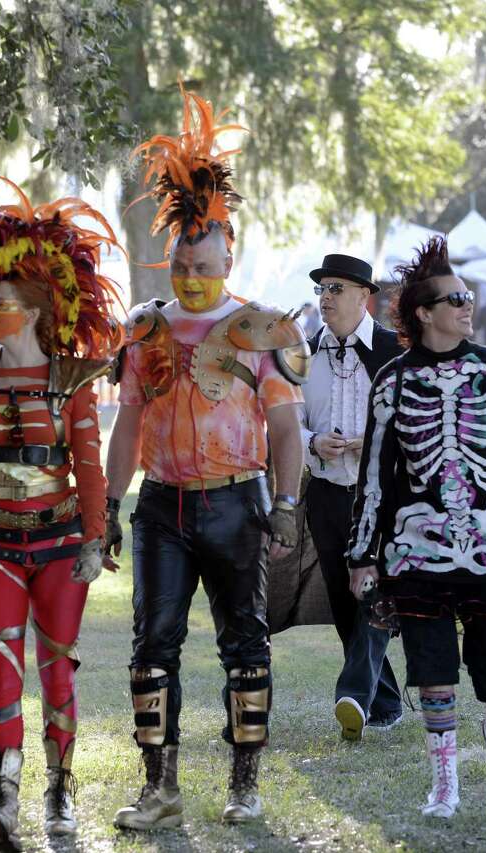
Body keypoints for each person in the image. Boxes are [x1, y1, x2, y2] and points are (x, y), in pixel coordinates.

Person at [104, 85, 308, 829]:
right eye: (180, 262)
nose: (190, 274)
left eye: (203, 260)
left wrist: (287, 504)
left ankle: (244, 784)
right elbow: (127, 424)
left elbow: (286, 429)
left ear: (230, 253)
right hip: (162, 505)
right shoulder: (144, 329)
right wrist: (108, 505)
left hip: (236, 503)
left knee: (245, 643)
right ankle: (159, 788)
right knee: (151, 647)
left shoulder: (263, 328)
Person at [0, 178, 125, 851]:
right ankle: (3, 796)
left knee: (57, 669)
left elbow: (90, 470)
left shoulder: (71, 381)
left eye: (2, 304)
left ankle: (60, 792)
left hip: (61, 547)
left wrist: (94, 539)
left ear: (35, 312)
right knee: (1, 668)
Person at [347, 236, 486, 818]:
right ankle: (444, 778)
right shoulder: (393, 381)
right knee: (432, 667)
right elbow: (374, 474)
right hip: (416, 552)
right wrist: (362, 553)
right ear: (424, 313)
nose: (467, 306)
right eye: (455, 299)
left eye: (468, 297)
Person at [300, 252, 405, 740]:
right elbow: (286, 423)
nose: (326, 297)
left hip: (382, 498)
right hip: (325, 495)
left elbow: (415, 419)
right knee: (346, 603)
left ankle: (353, 693)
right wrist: (313, 443)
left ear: (365, 296)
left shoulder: (394, 351)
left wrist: (376, 441)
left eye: (337, 288)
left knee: (373, 594)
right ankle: (384, 705)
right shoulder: (301, 354)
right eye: (322, 289)